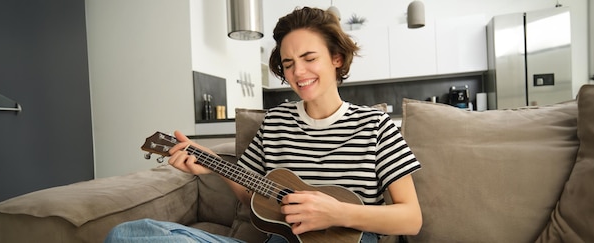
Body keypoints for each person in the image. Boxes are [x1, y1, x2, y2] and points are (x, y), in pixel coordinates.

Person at [105, 6, 422, 243]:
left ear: (336, 58)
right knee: (129, 234)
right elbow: (253, 196)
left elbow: (411, 219)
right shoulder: (276, 122)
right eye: (288, 64)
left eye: (309, 58)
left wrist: (339, 213)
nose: (298, 73)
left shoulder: (376, 125)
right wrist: (212, 163)